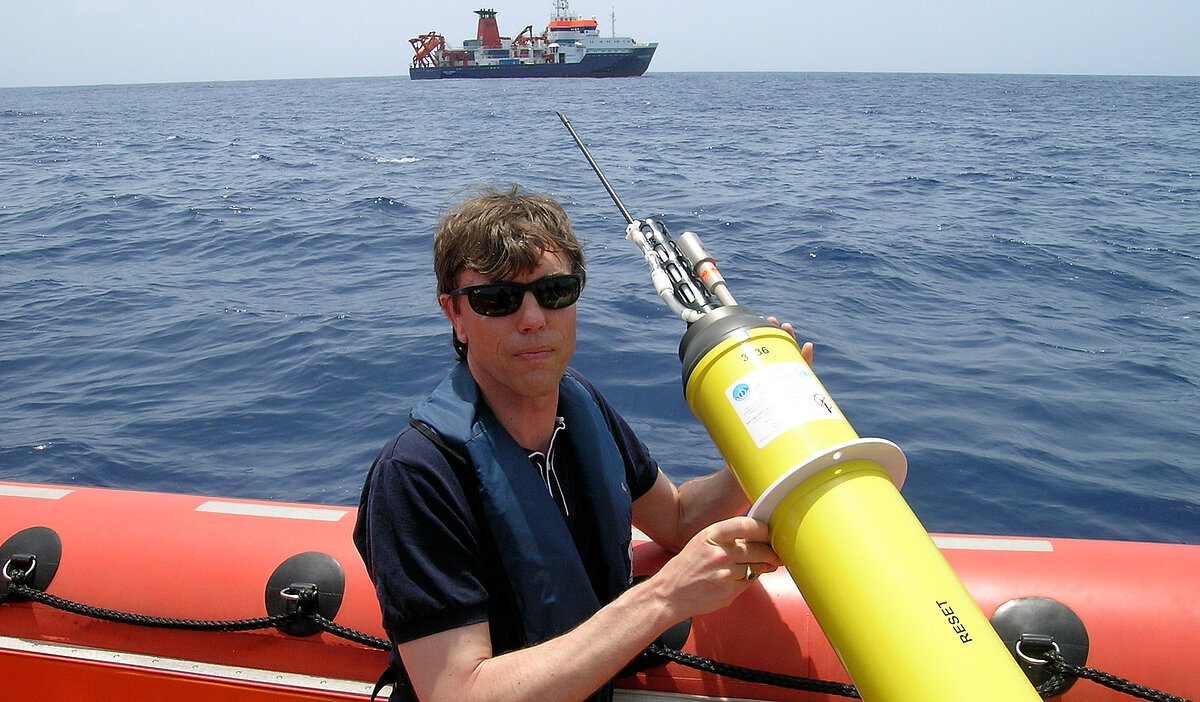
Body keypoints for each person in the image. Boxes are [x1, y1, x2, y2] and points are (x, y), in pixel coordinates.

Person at [354, 186, 811, 702]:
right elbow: (458, 693)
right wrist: (664, 596)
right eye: (497, 299)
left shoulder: (582, 408)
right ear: (455, 315)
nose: (532, 318)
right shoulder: (417, 476)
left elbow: (679, 518)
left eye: (553, 292)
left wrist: (766, 439)